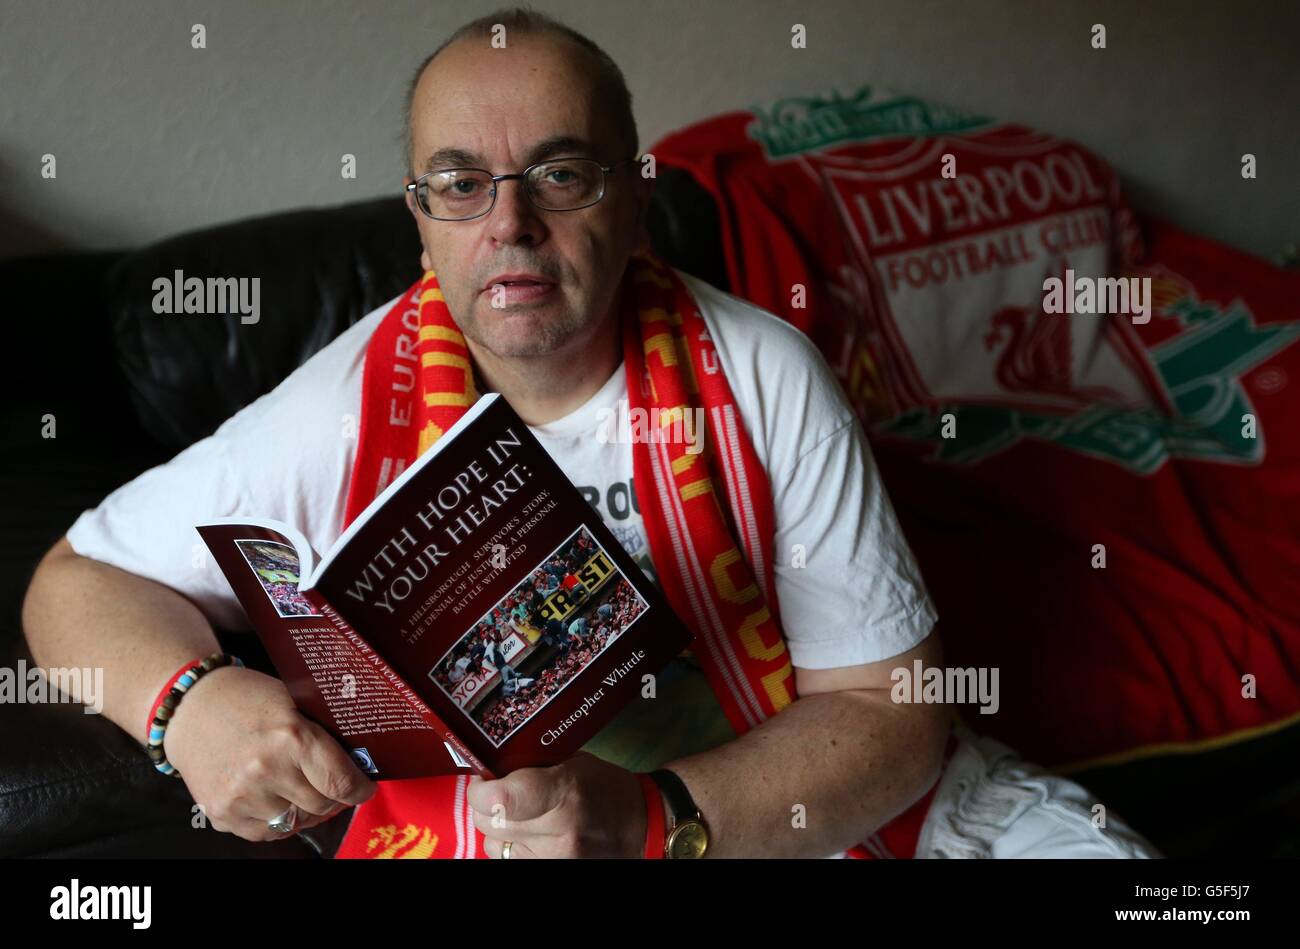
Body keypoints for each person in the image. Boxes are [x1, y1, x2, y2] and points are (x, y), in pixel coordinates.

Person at [21, 7, 1156, 859]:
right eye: (460, 186)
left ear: (634, 196)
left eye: (558, 173)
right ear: (419, 226)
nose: (509, 224)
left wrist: (658, 821)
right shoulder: (339, 405)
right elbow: (71, 583)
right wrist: (189, 708)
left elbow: (891, 718)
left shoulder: (761, 372)